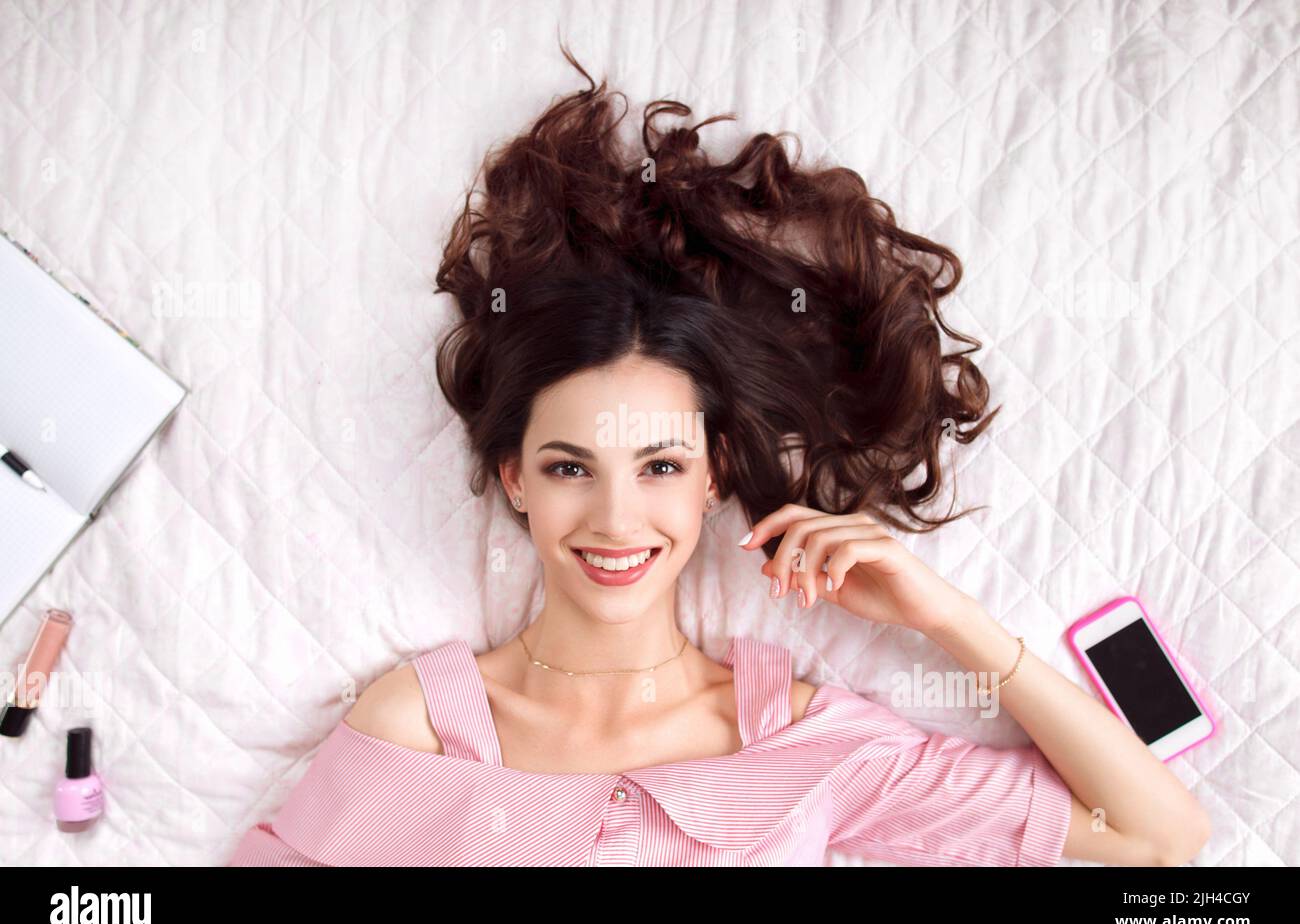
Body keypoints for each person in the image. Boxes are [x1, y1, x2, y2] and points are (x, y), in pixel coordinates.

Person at [227, 45, 1210, 867]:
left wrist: (942, 615)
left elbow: (1159, 836)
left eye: (658, 466)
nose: (616, 519)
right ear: (515, 476)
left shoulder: (801, 735)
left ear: (714, 476)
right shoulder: (424, 723)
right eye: (572, 466)